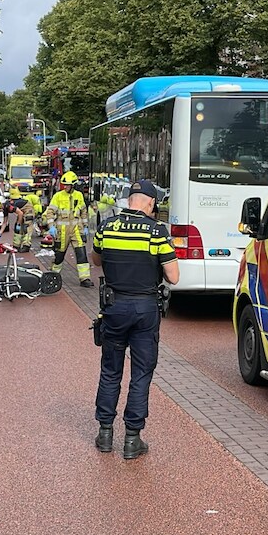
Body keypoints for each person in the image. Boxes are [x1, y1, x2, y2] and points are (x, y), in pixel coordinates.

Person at [90, 180, 179, 460]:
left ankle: (105, 433)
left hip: (114, 307)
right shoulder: (157, 231)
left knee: (110, 370)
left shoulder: (106, 227)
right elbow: (174, 277)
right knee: (141, 373)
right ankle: (132, 438)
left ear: (130, 200)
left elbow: (95, 260)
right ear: (151, 204)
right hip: (144, 310)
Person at [44, 171, 92, 287]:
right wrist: (51, 227)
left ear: (74, 185)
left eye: (68, 185)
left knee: (81, 254)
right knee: (59, 256)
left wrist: (85, 227)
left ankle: (84, 278)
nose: (65, 187)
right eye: (64, 185)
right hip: (62, 231)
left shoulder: (79, 196)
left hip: (76, 230)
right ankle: (54, 276)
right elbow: (50, 213)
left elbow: (84, 212)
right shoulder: (58, 196)